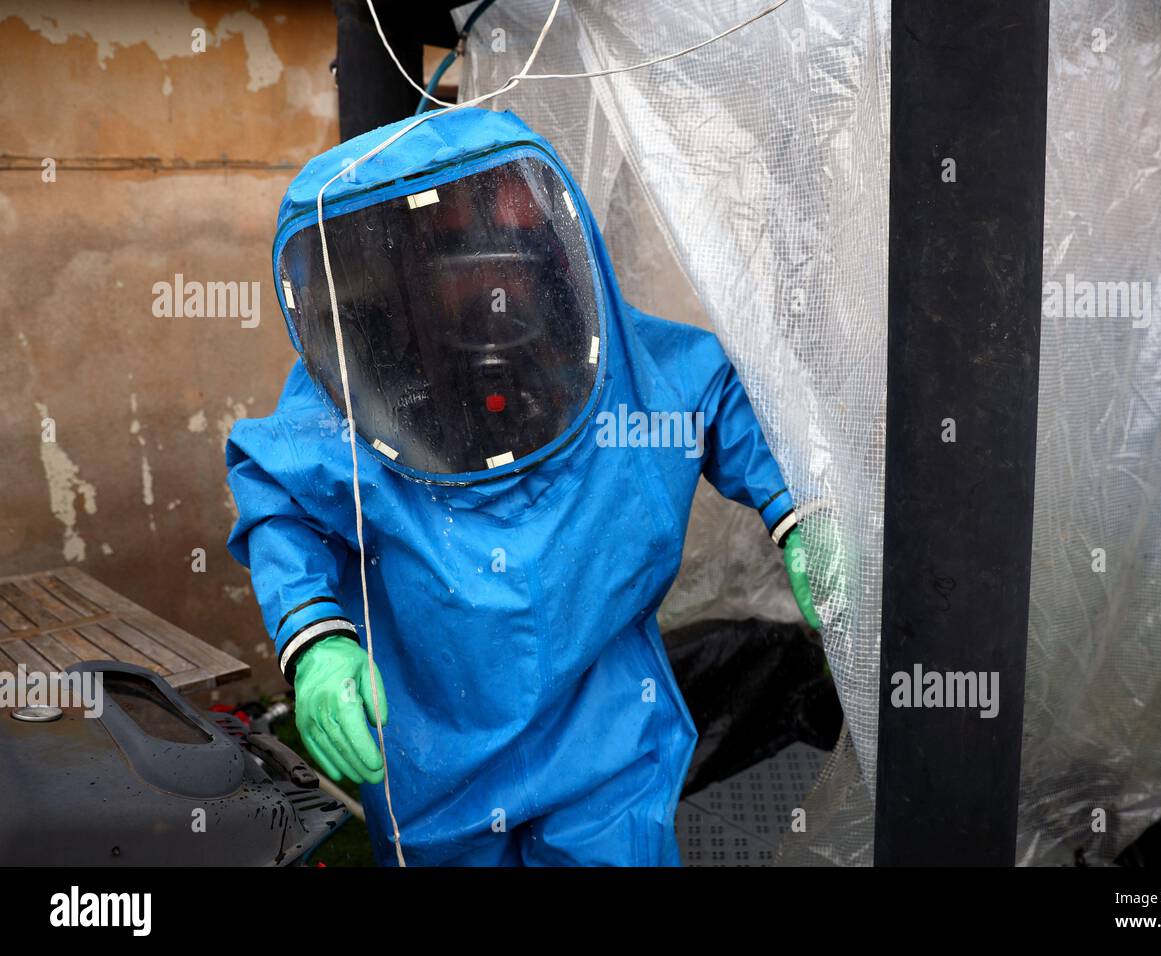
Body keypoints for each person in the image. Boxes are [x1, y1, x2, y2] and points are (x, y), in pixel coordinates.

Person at [227, 106, 818, 866]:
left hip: (605, 740)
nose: (485, 287)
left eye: (501, 253)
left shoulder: (619, 376)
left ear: (551, 255)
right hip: (434, 756)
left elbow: (716, 397)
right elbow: (282, 494)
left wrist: (800, 513)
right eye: (451, 258)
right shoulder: (354, 397)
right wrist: (315, 640)